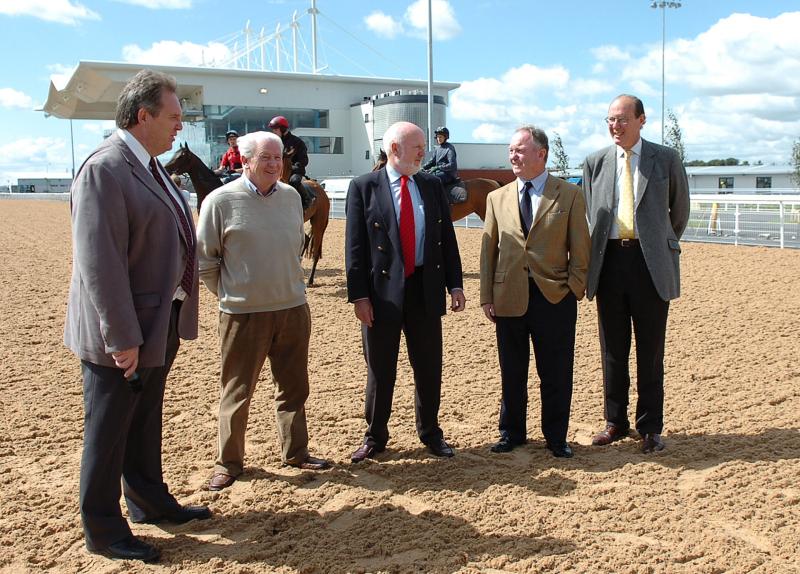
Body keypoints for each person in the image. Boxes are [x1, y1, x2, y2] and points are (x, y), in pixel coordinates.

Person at [64, 69, 210, 564]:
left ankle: (149, 501)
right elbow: (99, 263)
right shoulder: (106, 168)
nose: (179, 128)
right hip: (123, 333)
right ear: (142, 115)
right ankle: (104, 529)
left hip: (157, 322)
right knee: (108, 430)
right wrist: (121, 335)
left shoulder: (149, 166)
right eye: (173, 117)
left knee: (144, 420)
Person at [197, 130, 330, 492]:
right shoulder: (220, 201)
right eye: (266, 158)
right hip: (243, 314)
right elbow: (205, 261)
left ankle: (296, 451)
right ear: (245, 161)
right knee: (237, 392)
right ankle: (229, 462)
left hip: (292, 308)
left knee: (294, 387)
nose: (275, 165)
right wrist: (232, 293)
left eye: (278, 158)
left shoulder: (291, 198)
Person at [345, 121, 466, 463]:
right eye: (417, 147)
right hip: (382, 293)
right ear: (395, 149)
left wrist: (454, 284)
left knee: (429, 367)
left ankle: (430, 432)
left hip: (425, 288)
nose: (423, 152)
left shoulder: (430, 185)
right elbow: (355, 247)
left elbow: (447, 241)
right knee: (381, 370)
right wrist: (359, 296)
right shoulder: (363, 187)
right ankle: (375, 437)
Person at [582, 94, 690, 454]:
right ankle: (615, 421)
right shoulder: (595, 163)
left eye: (623, 119)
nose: (616, 125)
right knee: (612, 348)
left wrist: (658, 244)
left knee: (650, 349)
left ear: (642, 120)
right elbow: (590, 215)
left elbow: (679, 213)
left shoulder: (666, 159)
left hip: (651, 265)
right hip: (609, 263)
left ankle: (650, 427)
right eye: (610, 119)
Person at [480, 126, 590, 459]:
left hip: (555, 297)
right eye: (511, 150)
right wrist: (487, 295)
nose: (513, 155)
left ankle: (556, 437)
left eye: (520, 150)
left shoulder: (569, 194)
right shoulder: (496, 197)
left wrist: (573, 287)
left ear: (541, 154)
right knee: (512, 371)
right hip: (508, 297)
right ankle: (511, 433)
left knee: (555, 372)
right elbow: (489, 251)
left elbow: (581, 249)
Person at [267, 115, 314, 210]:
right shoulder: (275, 143)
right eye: (273, 130)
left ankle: (307, 200)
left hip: (294, 171)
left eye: (276, 130)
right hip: (277, 171)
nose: (274, 132)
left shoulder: (297, 142)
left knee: (294, 181)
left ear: (283, 129)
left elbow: (304, 160)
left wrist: (292, 167)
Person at [422, 126, 466, 204]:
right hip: (439, 172)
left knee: (433, 179)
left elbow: (452, 165)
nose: (439, 139)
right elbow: (431, 161)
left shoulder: (450, 148)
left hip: (448, 174)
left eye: (441, 137)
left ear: (445, 137)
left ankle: (440, 202)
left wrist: (438, 167)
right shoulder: (437, 149)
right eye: (438, 137)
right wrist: (421, 168)